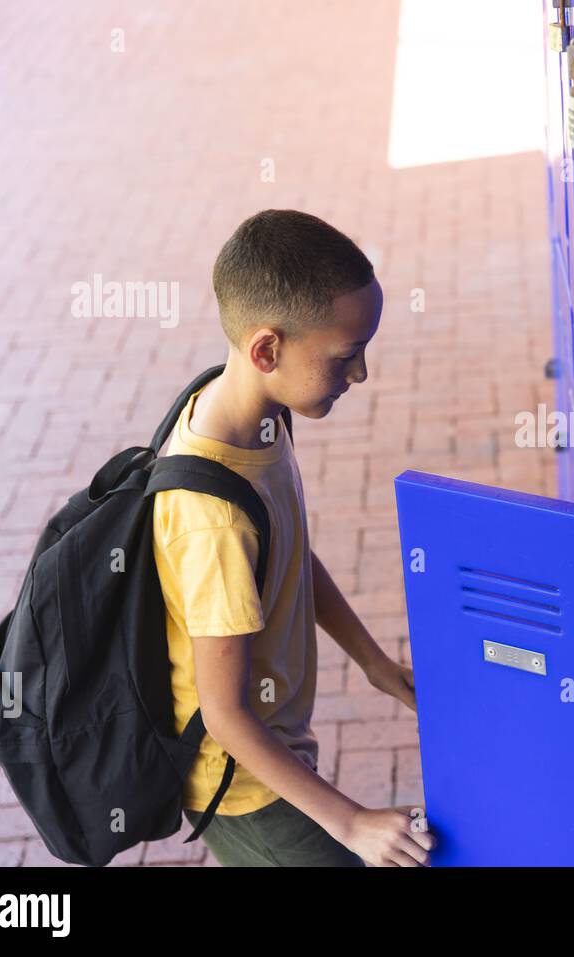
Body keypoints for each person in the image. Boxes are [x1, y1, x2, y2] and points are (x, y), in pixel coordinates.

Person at [153, 209, 433, 866]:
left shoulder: (260, 418)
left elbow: (287, 556)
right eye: (345, 356)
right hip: (247, 788)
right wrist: (352, 822)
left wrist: (373, 661)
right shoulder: (212, 512)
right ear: (267, 350)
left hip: (274, 758)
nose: (360, 374)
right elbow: (226, 715)